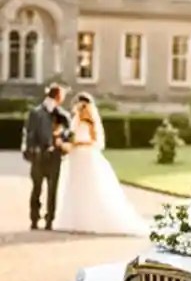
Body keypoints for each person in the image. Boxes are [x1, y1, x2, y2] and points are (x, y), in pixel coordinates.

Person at [51, 93, 148, 235]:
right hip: (76, 157)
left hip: (86, 156)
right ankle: (75, 220)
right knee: (75, 186)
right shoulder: (75, 121)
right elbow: (71, 137)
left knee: (89, 186)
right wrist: (67, 143)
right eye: (79, 106)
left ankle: (90, 220)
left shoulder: (90, 123)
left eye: (83, 106)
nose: (81, 109)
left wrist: (77, 143)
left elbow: (94, 141)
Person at [24, 84, 72, 230]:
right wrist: (32, 151)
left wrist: (61, 139)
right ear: (58, 96)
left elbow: (68, 133)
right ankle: (36, 218)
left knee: (51, 189)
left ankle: (49, 219)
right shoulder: (36, 113)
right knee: (38, 188)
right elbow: (30, 134)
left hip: (54, 155)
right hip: (40, 155)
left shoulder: (62, 114)